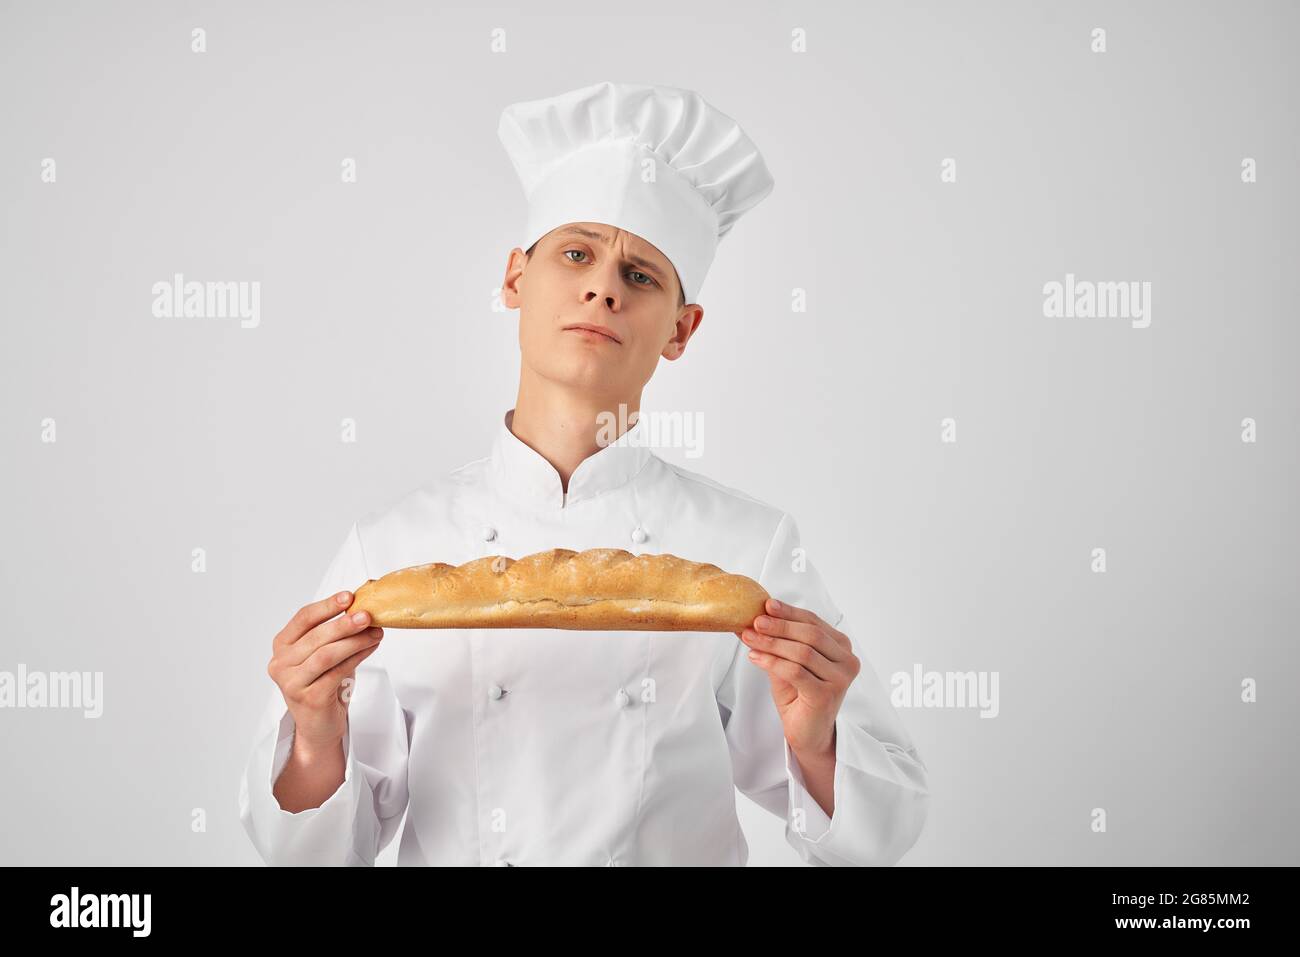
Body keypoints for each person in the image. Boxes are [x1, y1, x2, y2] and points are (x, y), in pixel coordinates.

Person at [238, 80, 929, 866]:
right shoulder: (391, 548)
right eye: (576, 252)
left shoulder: (749, 549)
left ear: (682, 328)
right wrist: (314, 732)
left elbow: (883, 836)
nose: (603, 285)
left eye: (641, 275)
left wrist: (815, 739)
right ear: (513, 280)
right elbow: (312, 855)